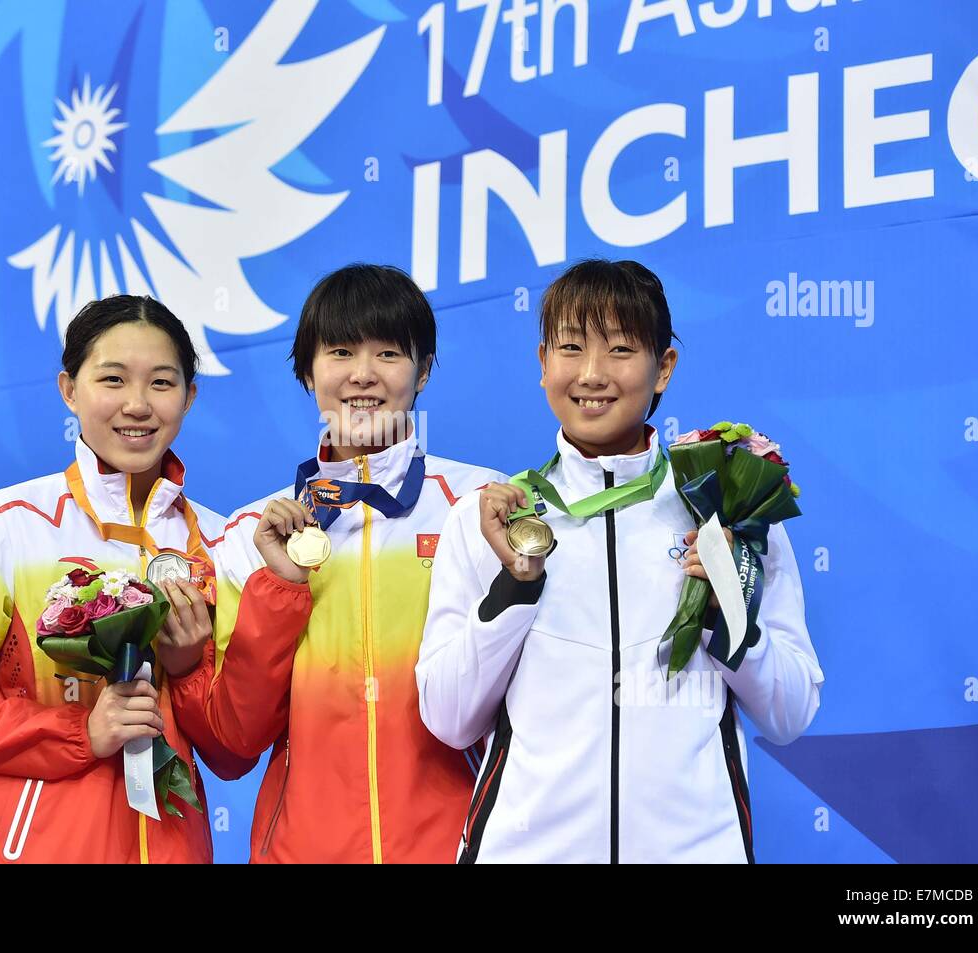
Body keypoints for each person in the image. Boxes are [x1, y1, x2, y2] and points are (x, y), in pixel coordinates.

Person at [416, 259, 824, 863]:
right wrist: (515, 585)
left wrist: (723, 612)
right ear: (542, 363)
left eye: (621, 350)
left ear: (664, 369)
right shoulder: (492, 520)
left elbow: (791, 711)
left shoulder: (725, 507)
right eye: (571, 348)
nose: (591, 374)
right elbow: (448, 719)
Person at [0, 294, 254, 863]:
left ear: (190, 395)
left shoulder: (222, 543)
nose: (137, 405)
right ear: (69, 388)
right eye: (112, 379)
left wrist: (186, 671)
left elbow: (233, 753)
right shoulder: (5, 526)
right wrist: (79, 733)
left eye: (162, 383)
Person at [180, 263, 505, 863]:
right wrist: (279, 587)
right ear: (307, 371)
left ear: (424, 370)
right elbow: (232, 744)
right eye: (339, 352)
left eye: (388, 353)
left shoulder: (481, 509)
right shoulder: (248, 536)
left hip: (463, 848)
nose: (362, 375)